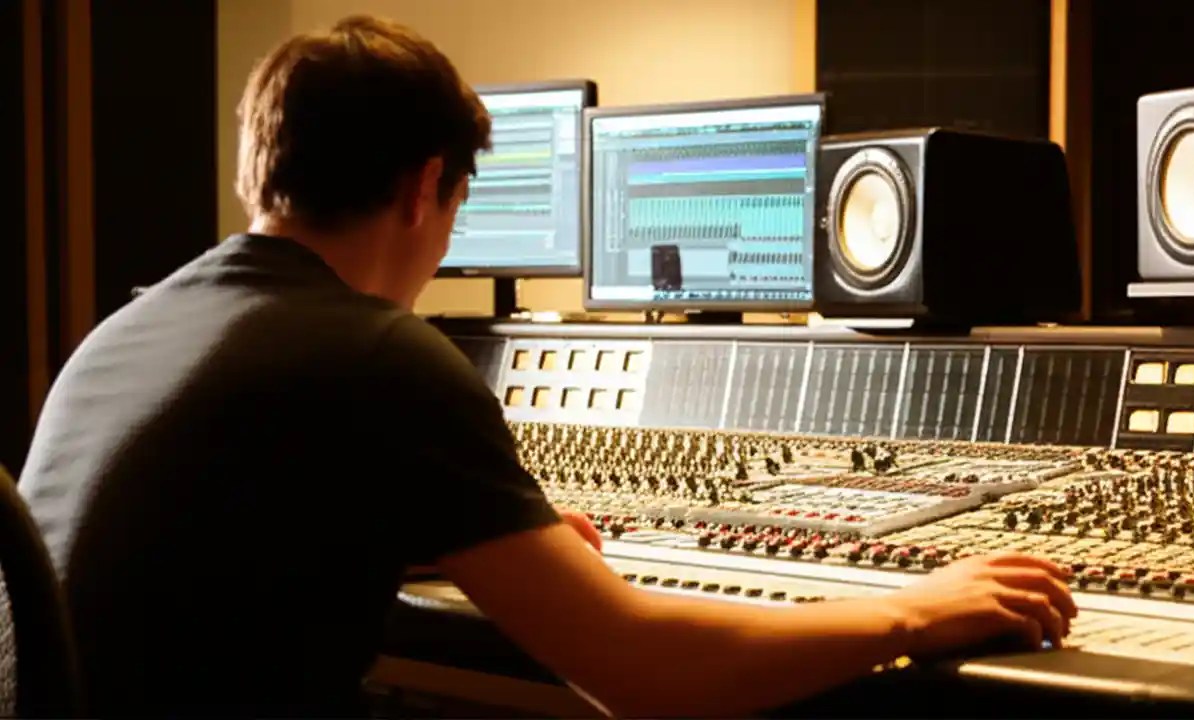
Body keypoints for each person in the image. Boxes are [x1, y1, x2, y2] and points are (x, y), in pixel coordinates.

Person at [17, 14, 1076, 718]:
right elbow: (642, 673)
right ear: (427, 186)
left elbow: (227, 553)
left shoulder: (131, 328)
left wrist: (437, 538)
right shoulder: (375, 351)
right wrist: (911, 610)